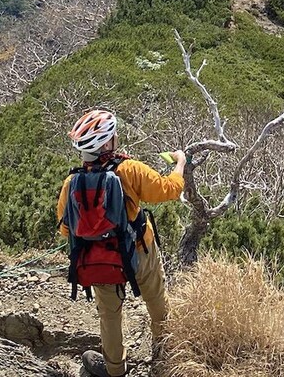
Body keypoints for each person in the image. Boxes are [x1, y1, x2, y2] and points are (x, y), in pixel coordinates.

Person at [58, 108, 187, 377]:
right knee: (156, 301)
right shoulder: (129, 169)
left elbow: (65, 229)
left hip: (100, 260)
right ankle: (164, 355)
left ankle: (115, 369)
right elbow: (170, 189)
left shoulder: (71, 183)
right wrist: (180, 163)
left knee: (110, 316)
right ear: (107, 143)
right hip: (140, 251)